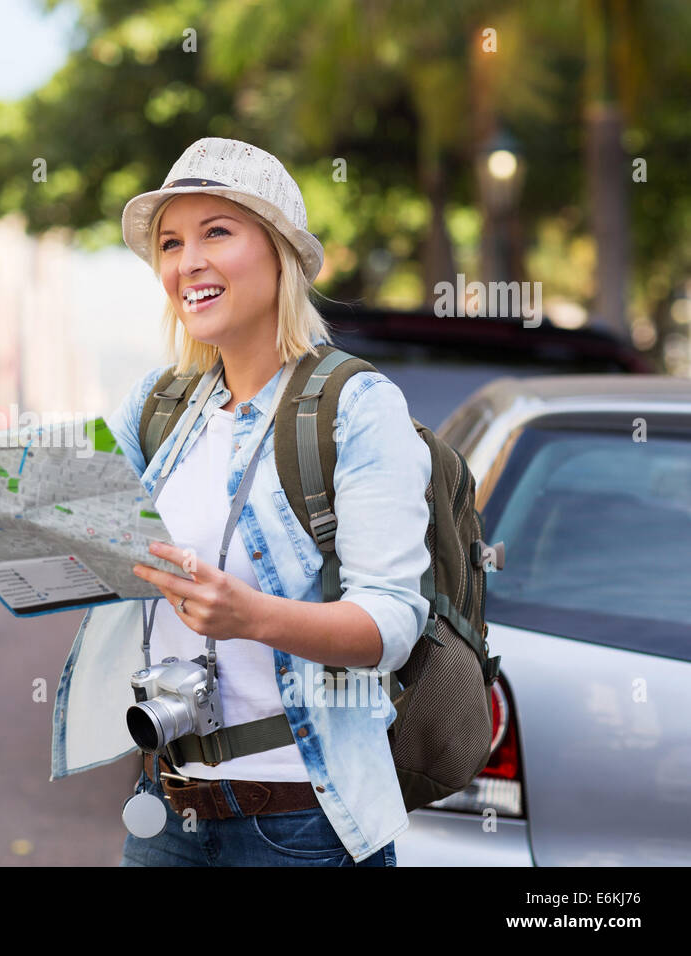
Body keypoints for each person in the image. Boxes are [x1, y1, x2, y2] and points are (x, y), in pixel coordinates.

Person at [48, 138, 432, 866]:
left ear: (280, 250)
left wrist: (251, 618)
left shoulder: (356, 406)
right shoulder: (156, 405)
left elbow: (392, 623)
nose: (186, 261)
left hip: (302, 823)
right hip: (167, 810)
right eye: (170, 243)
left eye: (216, 232)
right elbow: (88, 549)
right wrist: (18, 497)